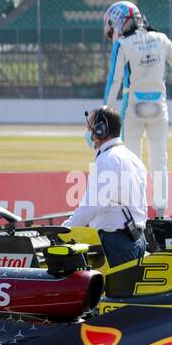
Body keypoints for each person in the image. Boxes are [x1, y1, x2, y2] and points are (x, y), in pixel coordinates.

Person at [102, 0, 172, 217]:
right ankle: (161, 215)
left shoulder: (123, 44)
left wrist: (105, 113)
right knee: (159, 161)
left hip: (132, 108)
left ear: (119, 22)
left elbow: (114, 82)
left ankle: (135, 212)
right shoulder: (161, 39)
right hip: (159, 108)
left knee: (131, 162)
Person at [63, 106, 148, 268]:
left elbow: (91, 207)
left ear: (101, 129)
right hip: (137, 239)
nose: (88, 131)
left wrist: (64, 230)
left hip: (117, 243)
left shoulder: (107, 160)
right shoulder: (134, 158)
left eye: (90, 127)